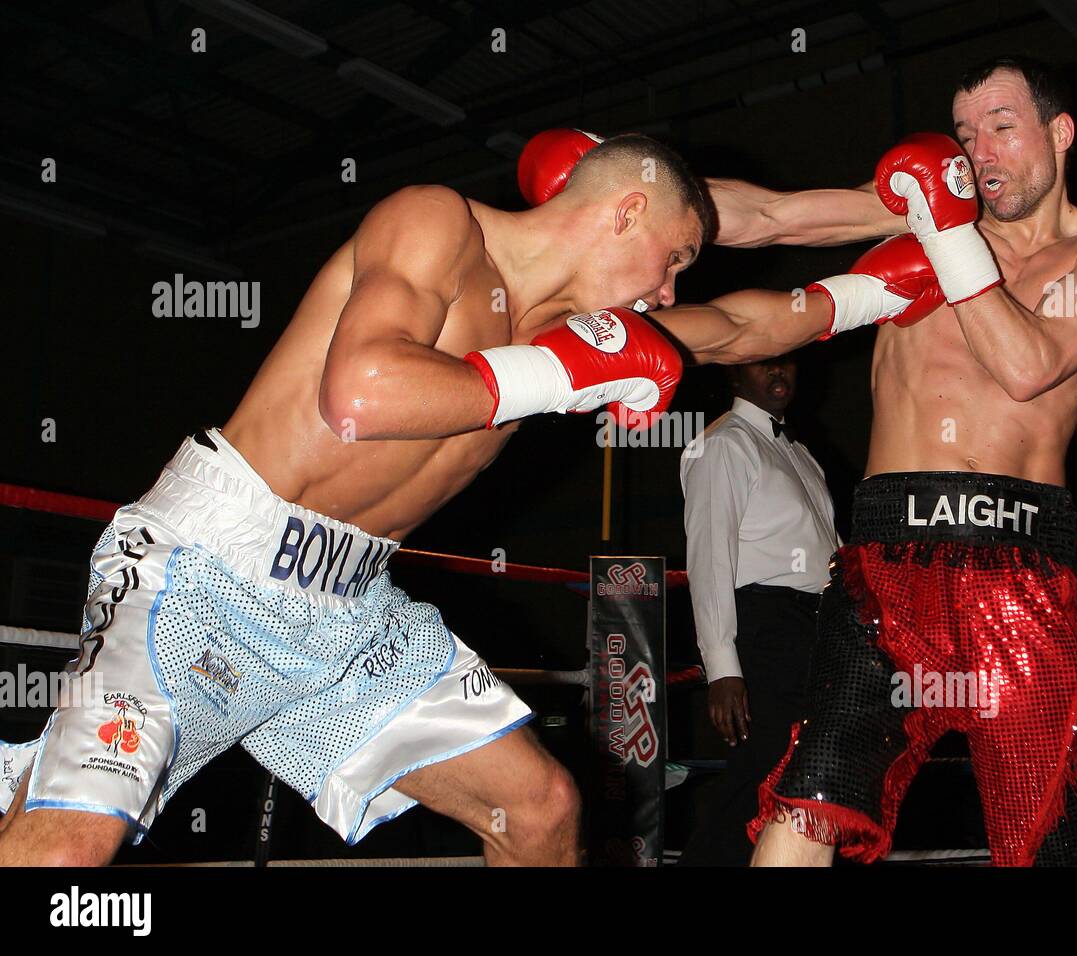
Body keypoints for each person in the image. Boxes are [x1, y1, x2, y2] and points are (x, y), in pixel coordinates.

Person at [0, 131, 944, 866]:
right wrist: (559, 371)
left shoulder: (590, 330)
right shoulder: (438, 223)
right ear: (623, 212)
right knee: (75, 844)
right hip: (209, 570)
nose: (668, 290)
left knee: (540, 810)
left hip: (348, 610)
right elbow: (362, 393)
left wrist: (891, 278)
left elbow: (748, 323)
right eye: (672, 259)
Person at [730, 56, 1077, 866]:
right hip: (886, 563)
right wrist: (617, 204)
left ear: (1060, 134)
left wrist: (945, 232)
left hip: (1021, 567)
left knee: (1072, 836)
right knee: (807, 808)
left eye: (1002, 127)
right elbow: (770, 217)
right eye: (966, 135)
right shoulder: (927, 212)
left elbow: (1029, 366)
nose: (980, 152)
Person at [678, 356, 839, 865]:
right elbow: (709, 560)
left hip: (814, 630)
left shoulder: (798, 451)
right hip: (765, 627)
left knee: (799, 779)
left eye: (787, 361)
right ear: (734, 374)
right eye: (762, 363)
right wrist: (722, 669)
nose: (778, 372)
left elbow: (829, 552)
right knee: (762, 777)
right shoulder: (723, 444)